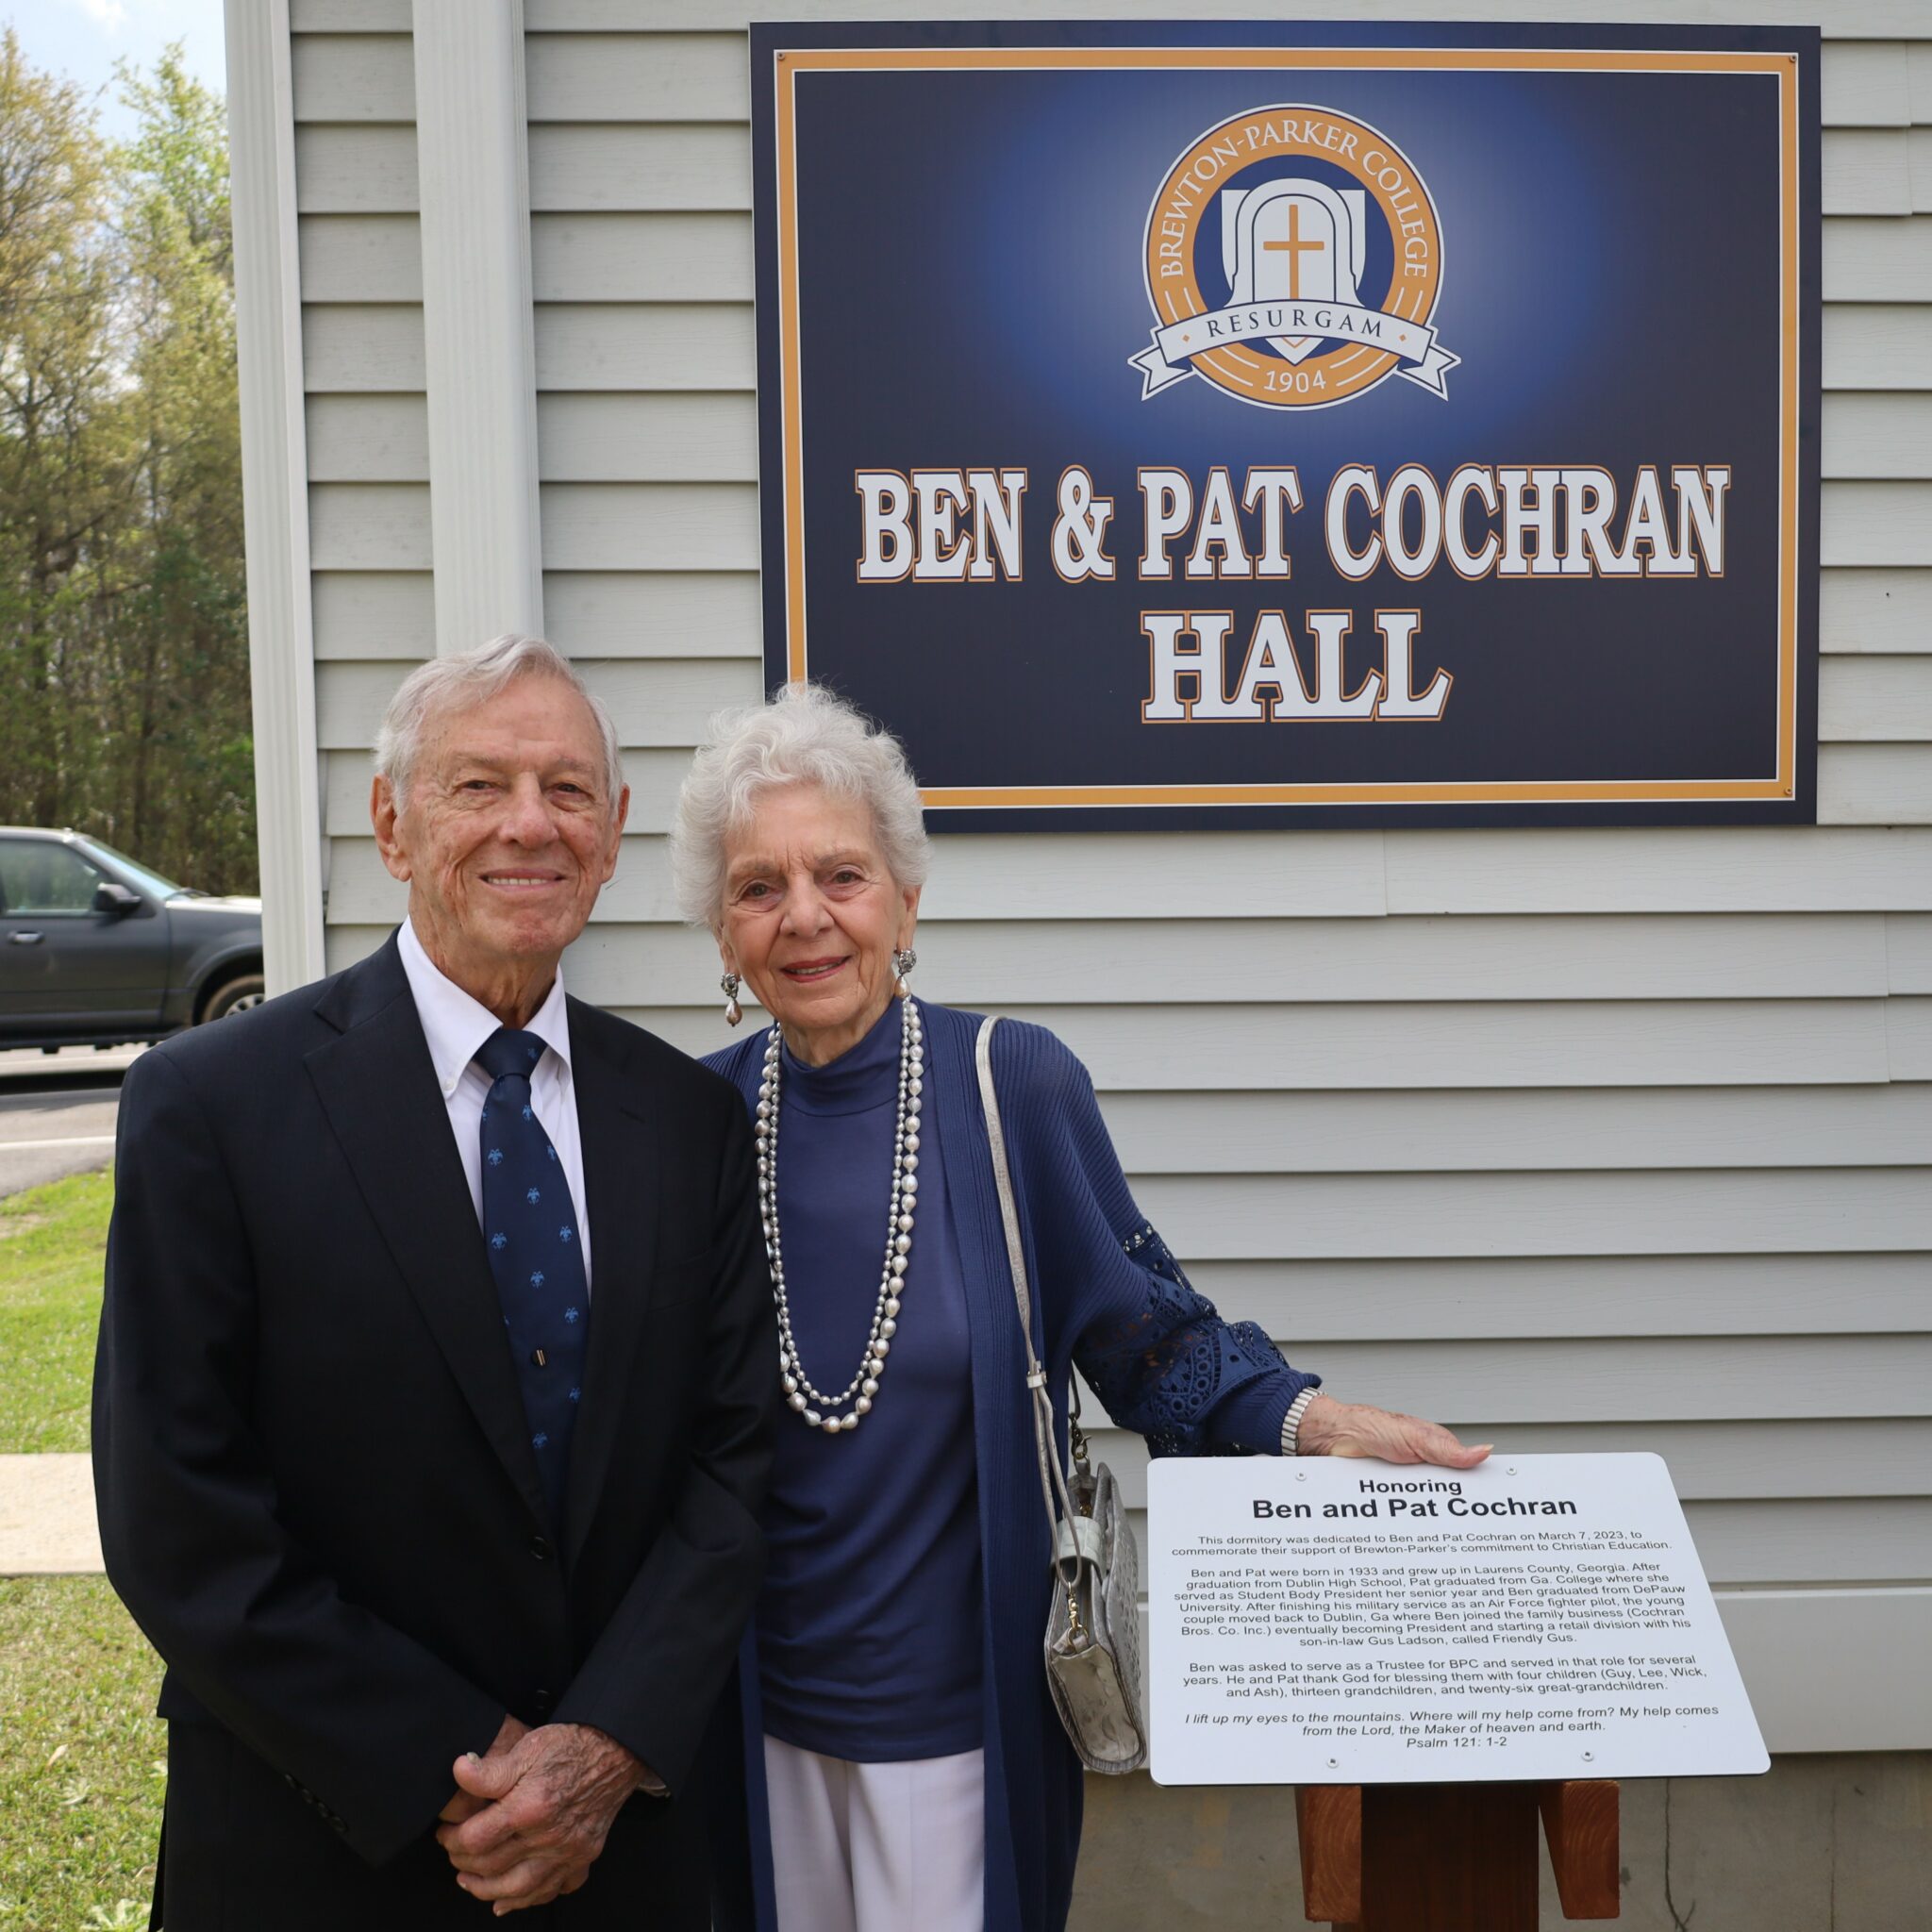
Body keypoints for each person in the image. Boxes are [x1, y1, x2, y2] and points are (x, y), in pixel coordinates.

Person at [671, 682, 1490, 1932]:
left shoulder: (1012, 1088)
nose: (804, 918)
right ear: (723, 934)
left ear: (905, 897)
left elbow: (1151, 1342)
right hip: (755, 1727)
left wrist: (1314, 1423)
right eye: (758, 887)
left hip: (961, 1738)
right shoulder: (695, 1125)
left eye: (840, 874)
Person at [92, 634, 779, 1928]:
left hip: (615, 1852)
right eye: (480, 786)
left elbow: (733, 1467)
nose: (532, 824)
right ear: (391, 825)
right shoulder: (213, 1108)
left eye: (569, 790)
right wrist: (459, 1760)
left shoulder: (687, 1122)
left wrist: (601, 1751)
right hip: (318, 1842)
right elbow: (176, 1515)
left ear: (616, 831)